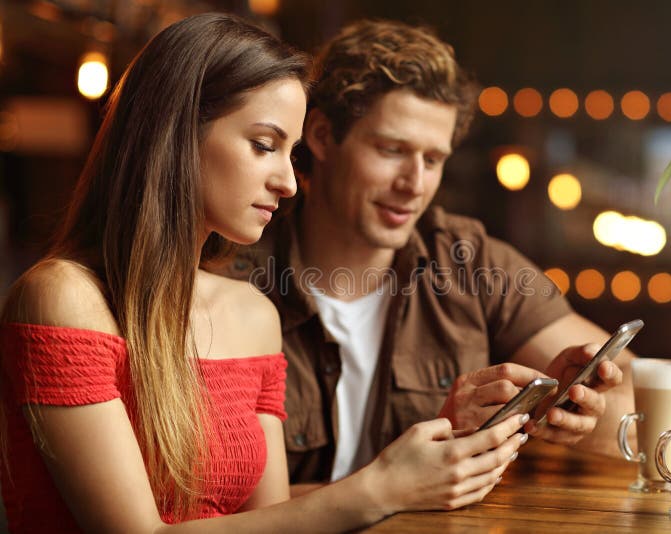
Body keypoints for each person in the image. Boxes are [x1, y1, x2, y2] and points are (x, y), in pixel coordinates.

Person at [0, 13, 529, 533]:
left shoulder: (252, 314)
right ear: (177, 132)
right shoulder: (62, 299)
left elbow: (275, 523)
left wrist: (421, 465)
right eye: (263, 145)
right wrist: (380, 487)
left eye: (291, 152)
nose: (288, 181)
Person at [224, 19, 634, 487]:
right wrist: (404, 476)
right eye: (392, 150)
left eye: (433, 159)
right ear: (320, 136)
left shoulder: (469, 260)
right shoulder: (233, 274)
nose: (414, 185)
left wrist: (572, 411)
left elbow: (628, 387)